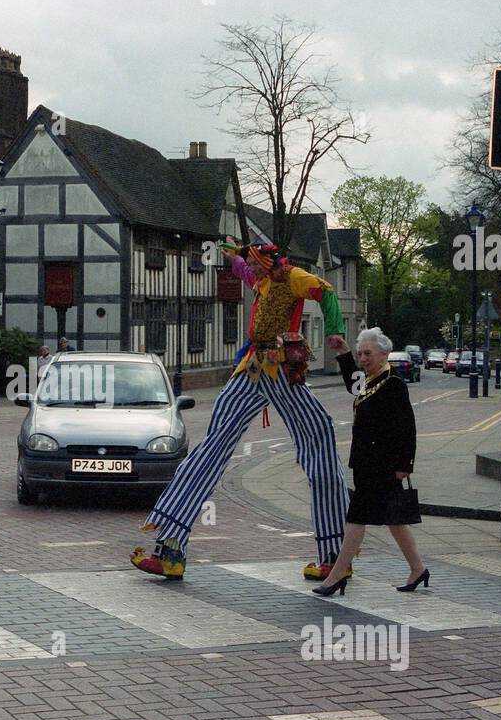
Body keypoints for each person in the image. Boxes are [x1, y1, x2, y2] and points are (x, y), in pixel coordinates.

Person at [130, 241, 349, 582]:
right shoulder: (262, 279)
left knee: (318, 439)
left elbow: (327, 291)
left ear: (268, 260)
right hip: (251, 368)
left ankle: (336, 555)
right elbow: (246, 274)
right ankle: (170, 549)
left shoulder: (293, 277)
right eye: (252, 265)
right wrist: (234, 260)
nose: (254, 271)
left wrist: (336, 330)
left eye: (256, 264)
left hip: (281, 368)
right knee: (211, 449)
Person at [315, 329, 428, 596]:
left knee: (357, 517)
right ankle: (418, 568)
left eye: (368, 354)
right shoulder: (369, 381)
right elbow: (351, 381)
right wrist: (343, 352)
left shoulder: (394, 384)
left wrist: (404, 465)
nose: (363, 359)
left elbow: (406, 428)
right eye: (360, 354)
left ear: (384, 354)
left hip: (384, 465)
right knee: (395, 519)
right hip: (366, 462)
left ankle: (337, 575)